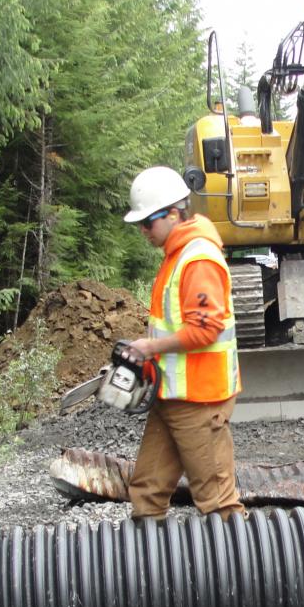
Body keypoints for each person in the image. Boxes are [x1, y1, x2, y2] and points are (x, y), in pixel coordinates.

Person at [119, 166, 244, 520]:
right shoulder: (176, 255)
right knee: (147, 491)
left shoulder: (198, 258)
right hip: (172, 396)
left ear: (173, 214)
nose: (144, 231)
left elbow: (204, 331)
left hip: (200, 400)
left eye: (148, 222)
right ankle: (151, 570)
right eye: (139, 224)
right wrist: (144, 360)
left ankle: (241, 569)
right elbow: (169, 328)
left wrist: (148, 348)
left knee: (218, 504)